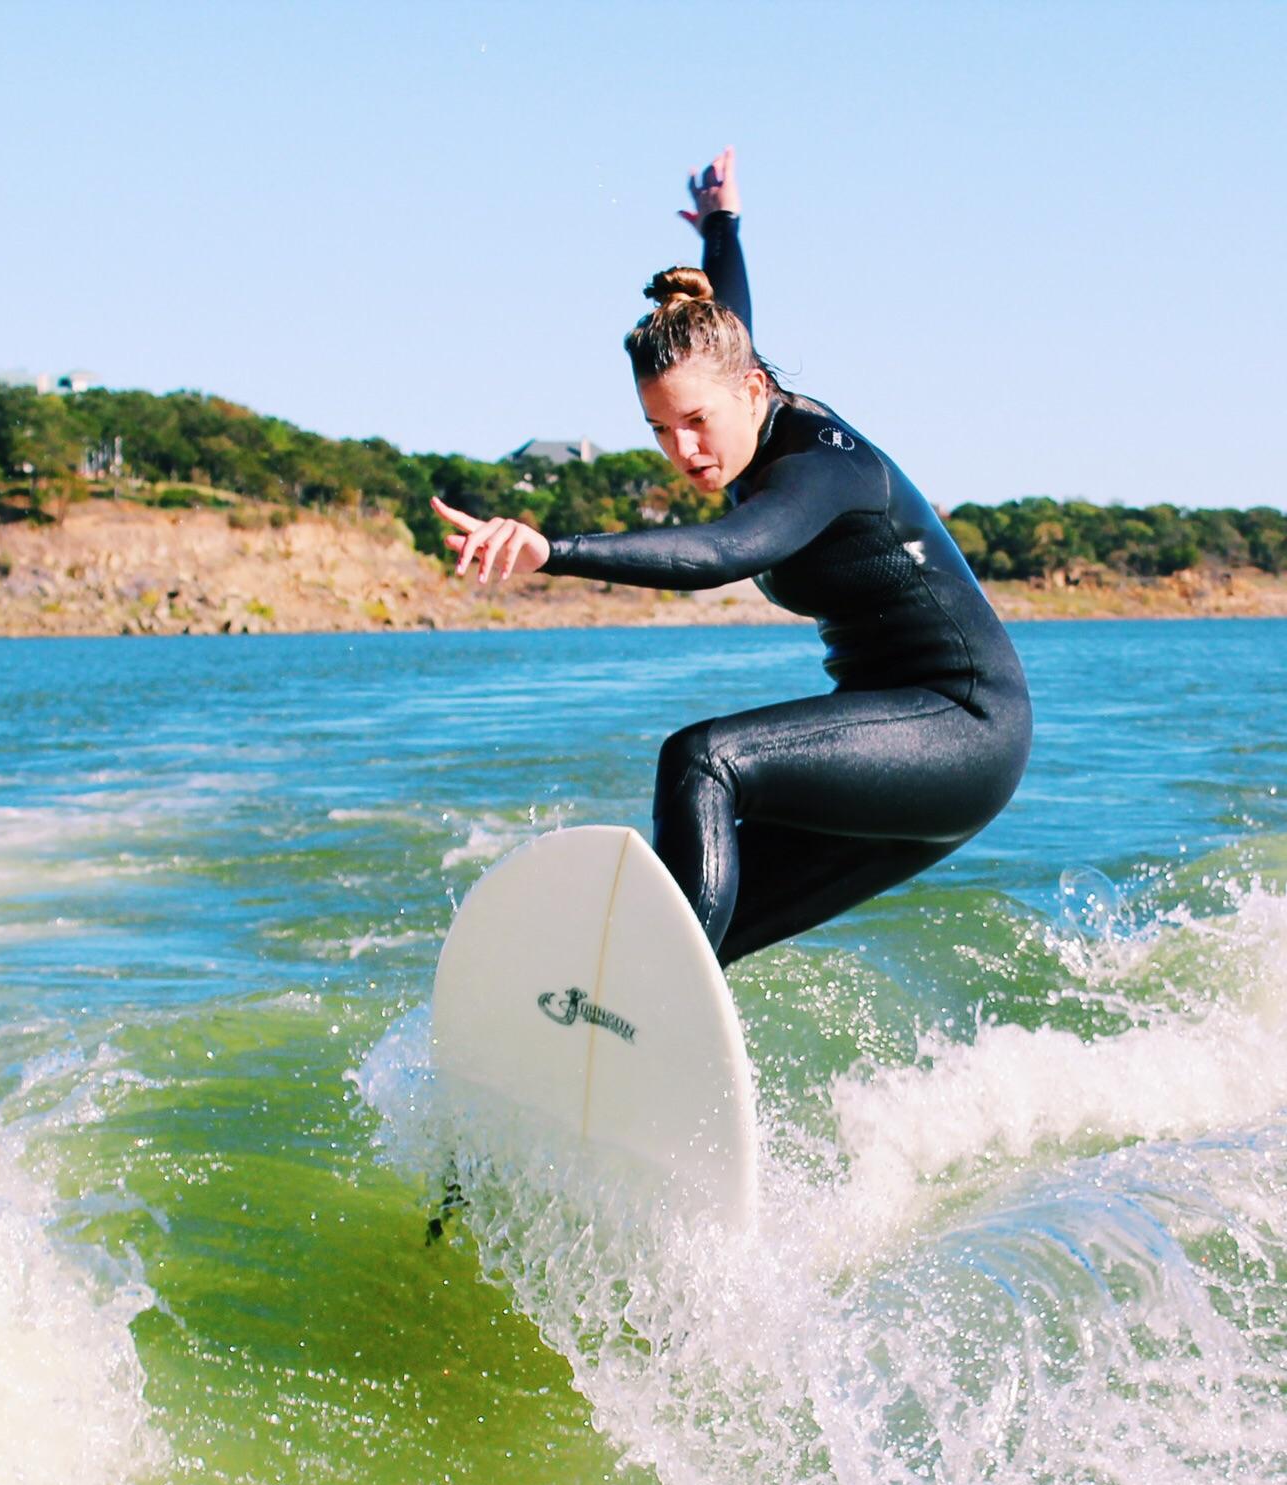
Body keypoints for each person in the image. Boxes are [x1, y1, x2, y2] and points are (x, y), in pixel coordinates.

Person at [431, 148, 1032, 967]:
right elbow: (729, 324)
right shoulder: (733, 402)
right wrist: (722, 224)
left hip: (961, 731)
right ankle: (638, 1060)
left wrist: (554, 550)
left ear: (752, 392)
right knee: (718, 928)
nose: (683, 450)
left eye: (695, 422)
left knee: (702, 760)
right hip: (906, 746)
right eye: (659, 429)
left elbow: (723, 551)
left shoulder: (824, 469)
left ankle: (639, 1003)